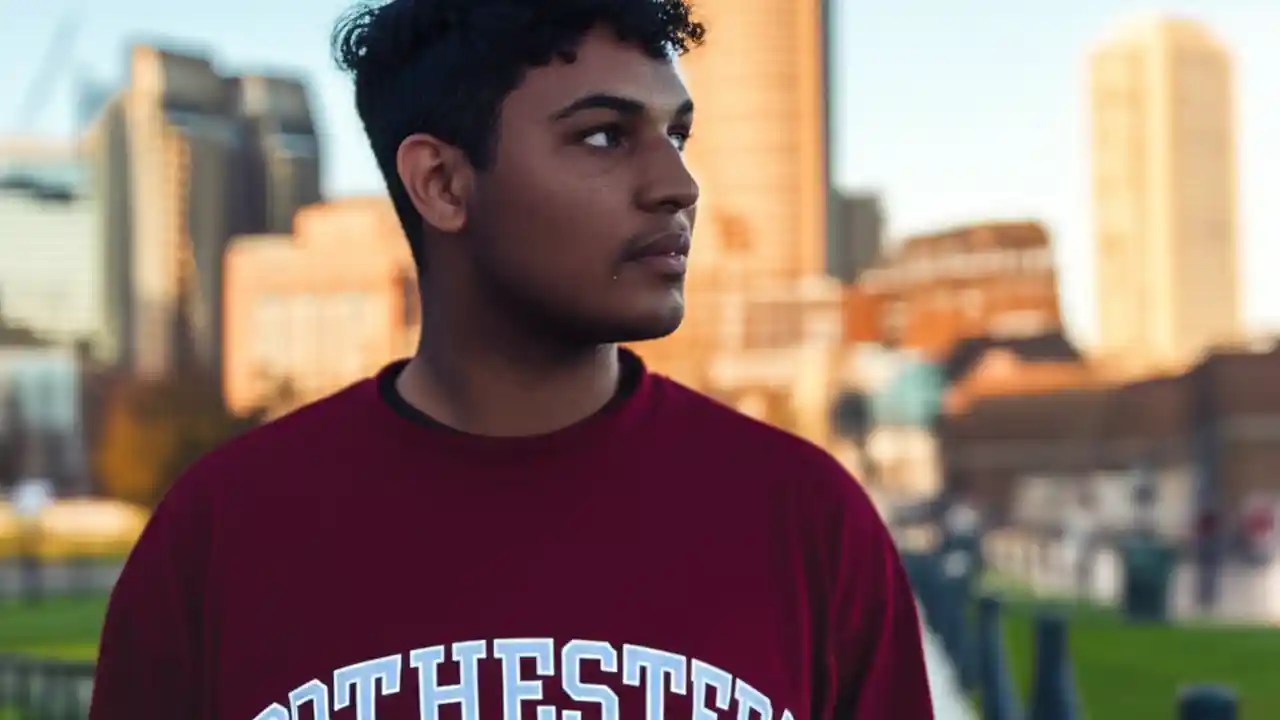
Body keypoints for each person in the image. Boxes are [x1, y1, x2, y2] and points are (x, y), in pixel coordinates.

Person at [89, 1, 933, 717]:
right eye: (605, 137)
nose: (678, 184)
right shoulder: (219, 535)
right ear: (444, 184)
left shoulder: (806, 521)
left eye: (675, 133)